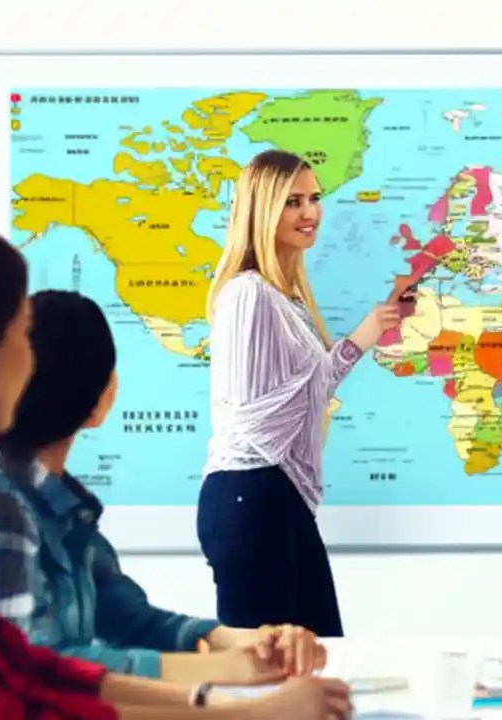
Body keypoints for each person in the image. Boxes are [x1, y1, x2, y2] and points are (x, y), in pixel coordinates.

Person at [0, 221, 350, 718]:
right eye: (18, 330)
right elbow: (13, 703)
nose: (29, 355)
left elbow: (28, 668)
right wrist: (245, 710)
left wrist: (233, 671)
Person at [0, 290, 326, 684]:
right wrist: (222, 669)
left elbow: (128, 620)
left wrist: (248, 641)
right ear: (102, 397)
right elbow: (33, 667)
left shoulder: (56, 504)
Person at [199, 149, 402, 636]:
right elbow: (254, 419)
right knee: (266, 679)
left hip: (276, 495)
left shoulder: (282, 297)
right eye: (292, 202)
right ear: (262, 211)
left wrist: (369, 331)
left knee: (322, 658)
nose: (309, 213)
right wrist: (345, 350)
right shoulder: (248, 294)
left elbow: (308, 389)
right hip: (252, 493)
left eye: (314, 198)